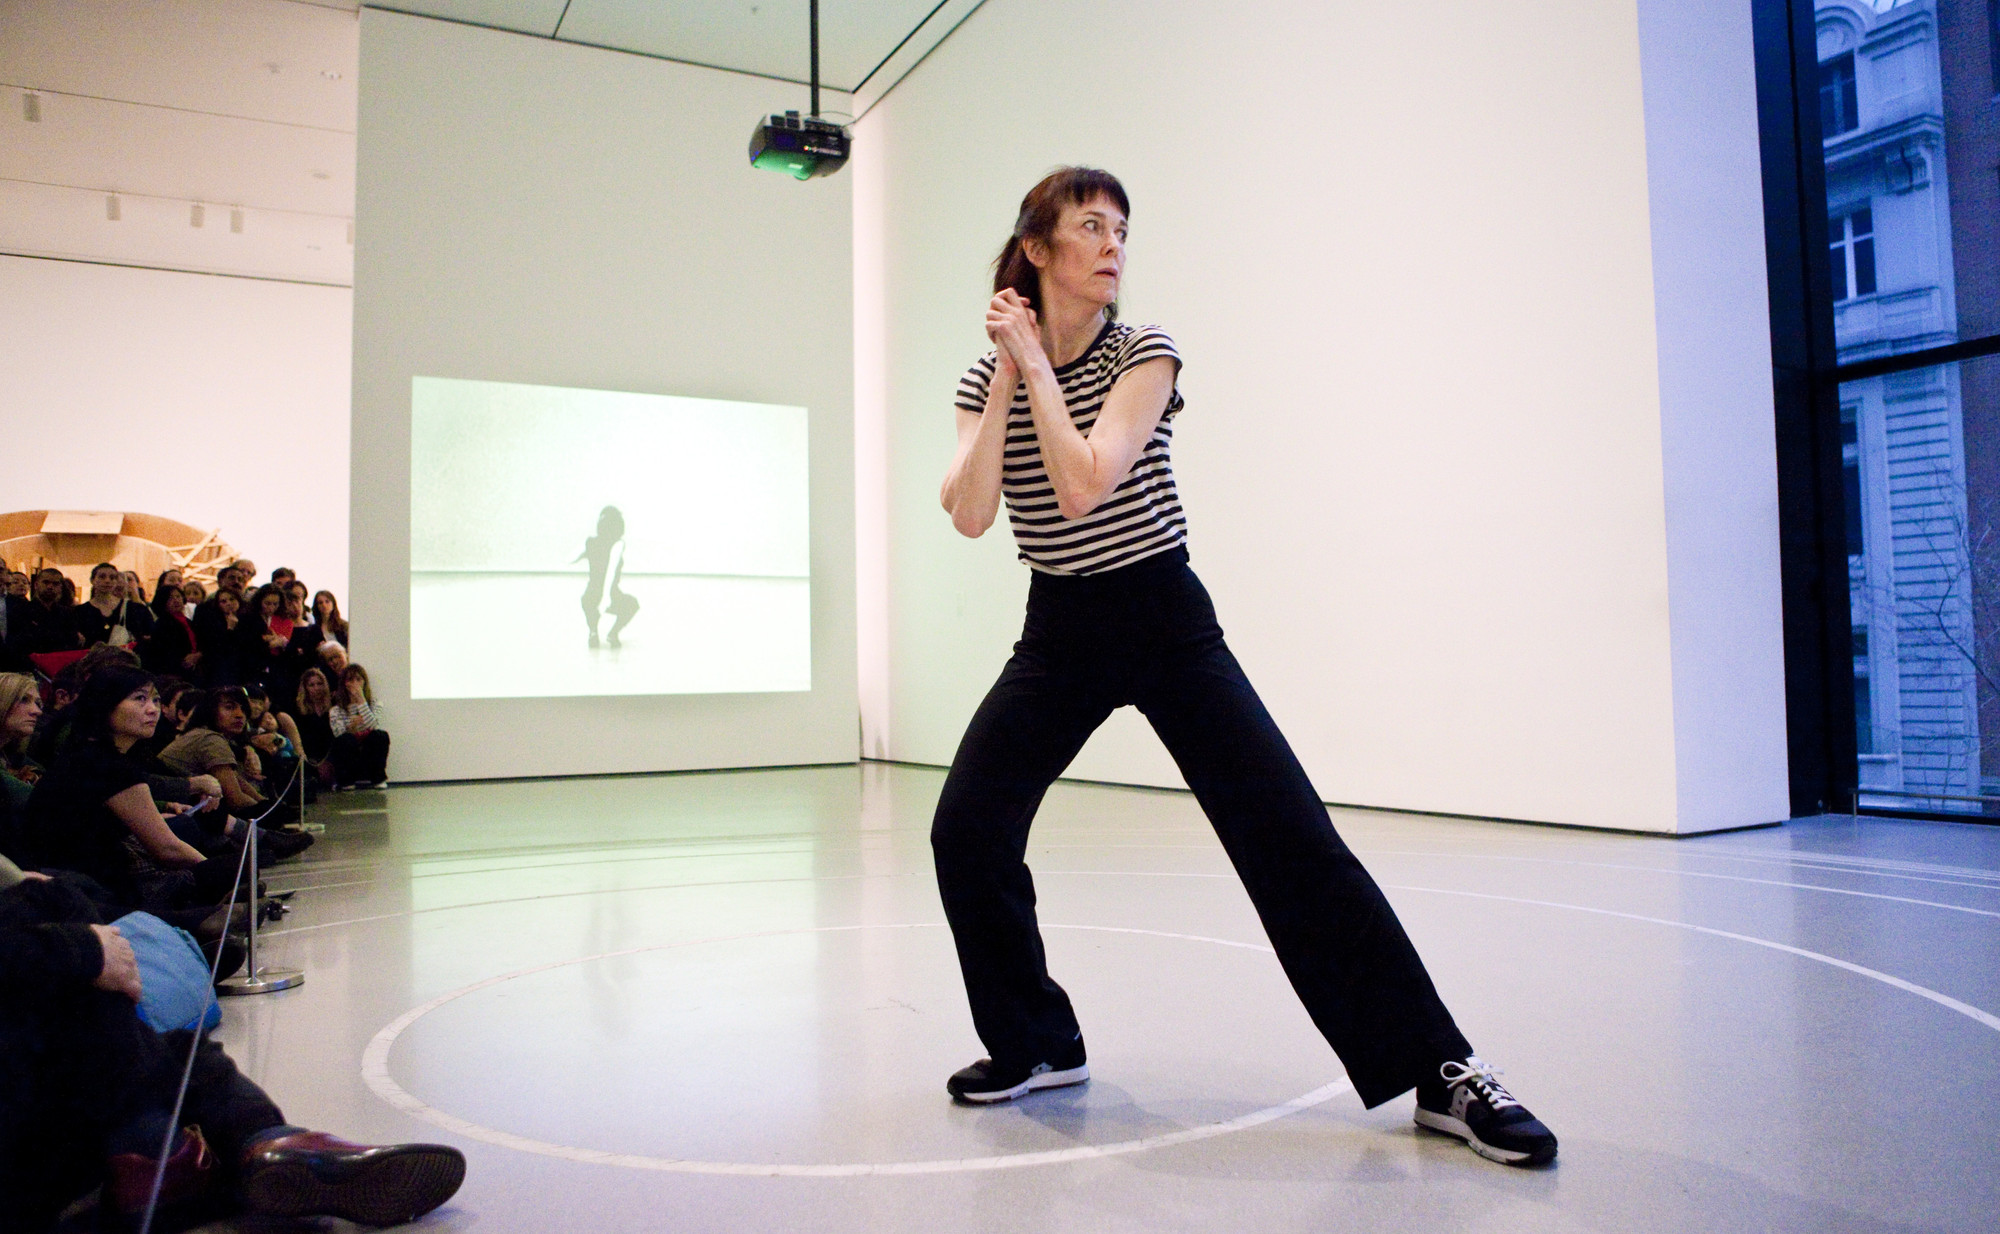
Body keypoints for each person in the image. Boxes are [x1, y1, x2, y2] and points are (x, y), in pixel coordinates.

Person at [927, 167, 1555, 1166]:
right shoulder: (986, 376)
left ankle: (1439, 1070)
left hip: (1162, 613)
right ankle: (1036, 1042)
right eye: (1088, 226)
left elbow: (1086, 483)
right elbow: (967, 513)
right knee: (965, 828)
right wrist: (1009, 368)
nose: (1112, 245)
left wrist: (1038, 373)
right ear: (1036, 249)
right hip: (1058, 630)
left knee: (1287, 838)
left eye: (1121, 229)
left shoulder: (1146, 352)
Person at [0, 858, 466, 1229]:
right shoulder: (92, 766)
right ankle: (243, 1144)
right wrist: (83, 948)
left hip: (51, 1116)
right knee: (49, 901)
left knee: (174, 1048)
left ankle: (164, 1156)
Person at [18, 665, 241, 913]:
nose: (153, 709)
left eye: (156, 699)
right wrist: (217, 874)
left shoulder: (92, 753)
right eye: (139, 699)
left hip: (82, 876)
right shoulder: (102, 763)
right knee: (230, 869)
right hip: (85, 890)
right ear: (106, 704)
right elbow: (166, 849)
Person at [329, 664, 389, 788]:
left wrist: (361, 700)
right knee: (345, 740)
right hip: (349, 752)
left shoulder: (374, 703)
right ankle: (346, 780)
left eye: (358, 679)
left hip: (368, 751)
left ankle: (377, 778)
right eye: (350, 679)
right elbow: (338, 733)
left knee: (380, 735)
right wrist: (352, 727)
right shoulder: (337, 709)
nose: (355, 683)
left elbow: (373, 725)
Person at [72, 562, 155, 650]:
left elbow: (149, 635)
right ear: (92, 580)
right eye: (102, 577)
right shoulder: (80, 612)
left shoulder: (136, 609)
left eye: (112, 578)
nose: (107, 581)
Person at [142, 581, 201, 676]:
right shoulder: (162, 624)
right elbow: (165, 653)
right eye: (170, 598)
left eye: (178, 596)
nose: (176, 600)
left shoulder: (188, 621)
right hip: (174, 672)